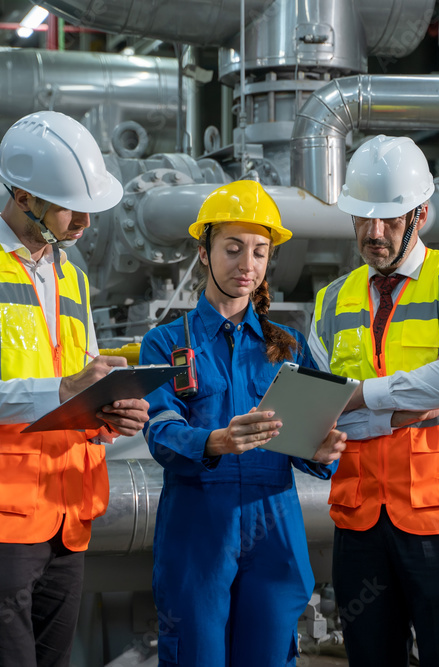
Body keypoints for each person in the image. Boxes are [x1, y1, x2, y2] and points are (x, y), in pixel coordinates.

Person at [0, 111, 150, 667]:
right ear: (22, 196)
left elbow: (78, 384)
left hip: (65, 518)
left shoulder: (72, 276)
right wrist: (62, 390)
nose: (85, 222)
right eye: (70, 207)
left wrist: (109, 412)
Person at [308, 135, 439, 667]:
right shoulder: (331, 301)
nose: (374, 233)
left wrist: (361, 397)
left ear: (421, 214)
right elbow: (322, 408)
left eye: (390, 219)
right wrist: (398, 410)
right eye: (363, 218)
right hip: (361, 518)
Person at [140, 180, 348, 667]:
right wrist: (214, 441)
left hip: (274, 525)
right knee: (197, 656)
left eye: (259, 251)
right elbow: (160, 430)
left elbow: (304, 435)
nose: (247, 265)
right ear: (204, 252)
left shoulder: (287, 346)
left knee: (270, 656)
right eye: (232, 249)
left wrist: (319, 451)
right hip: (199, 526)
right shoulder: (167, 343)